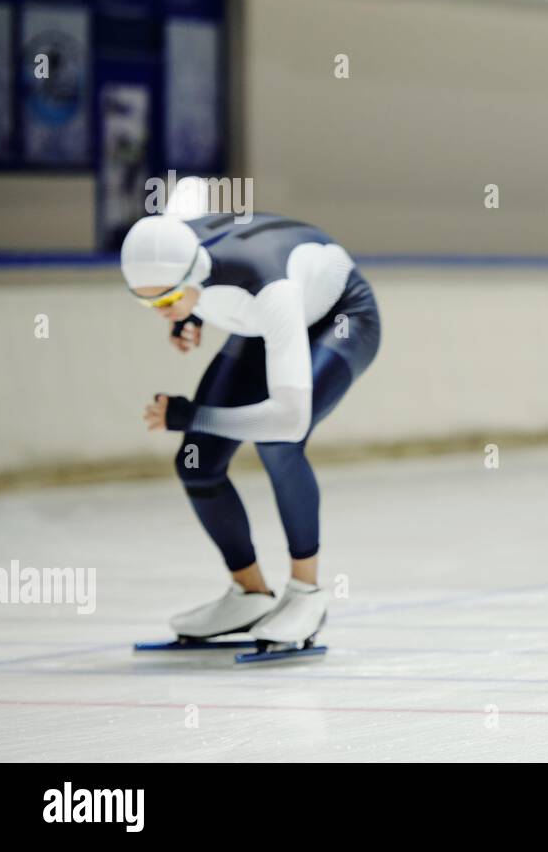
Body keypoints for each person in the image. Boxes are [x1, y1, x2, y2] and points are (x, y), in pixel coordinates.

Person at [120, 205, 381, 651]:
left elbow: (288, 417)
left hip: (340, 317)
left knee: (280, 444)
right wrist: (188, 313)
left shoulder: (269, 291)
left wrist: (191, 416)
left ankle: (306, 592)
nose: (158, 313)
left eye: (165, 301)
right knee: (196, 462)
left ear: (189, 278)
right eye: (146, 302)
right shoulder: (177, 241)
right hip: (262, 322)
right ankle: (250, 593)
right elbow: (190, 192)